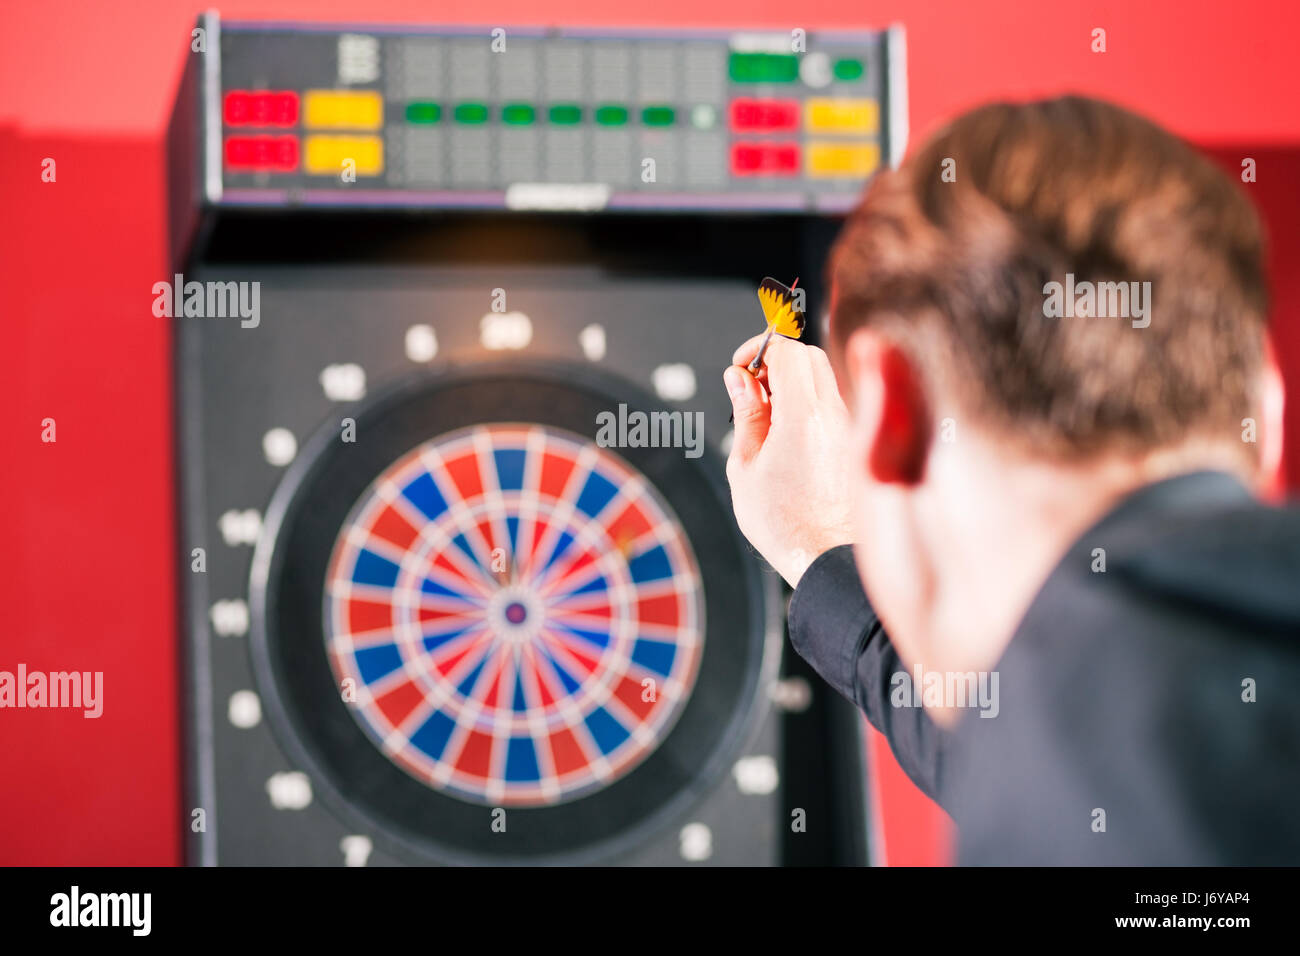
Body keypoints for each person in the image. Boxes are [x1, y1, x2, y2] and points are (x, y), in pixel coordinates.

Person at [722, 96, 1300, 864]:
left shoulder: (1085, 792)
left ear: (892, 404)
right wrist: (815, 543)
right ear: (1268, 406)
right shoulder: (1087, 738)